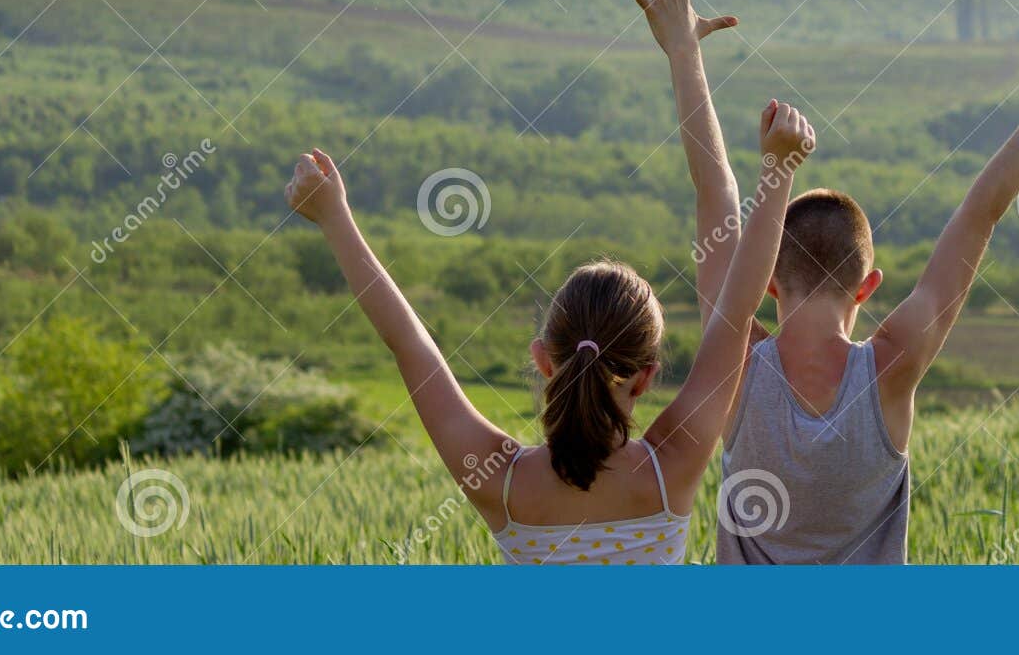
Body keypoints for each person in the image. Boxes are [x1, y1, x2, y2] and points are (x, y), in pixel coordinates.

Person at [634, 0, 1019, 563]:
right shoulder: (892, 369)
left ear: (769, 281)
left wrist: (684, 52)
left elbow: (714, 192)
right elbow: (980, 213)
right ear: (868, 285)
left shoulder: (737, 364)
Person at [283, 93, 816, 564]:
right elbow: (737, 308)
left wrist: (335, 217)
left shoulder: (504, 484)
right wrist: (778, 170)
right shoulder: (669, 468)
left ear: (543, 359)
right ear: (647, 376)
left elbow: (408, 343)